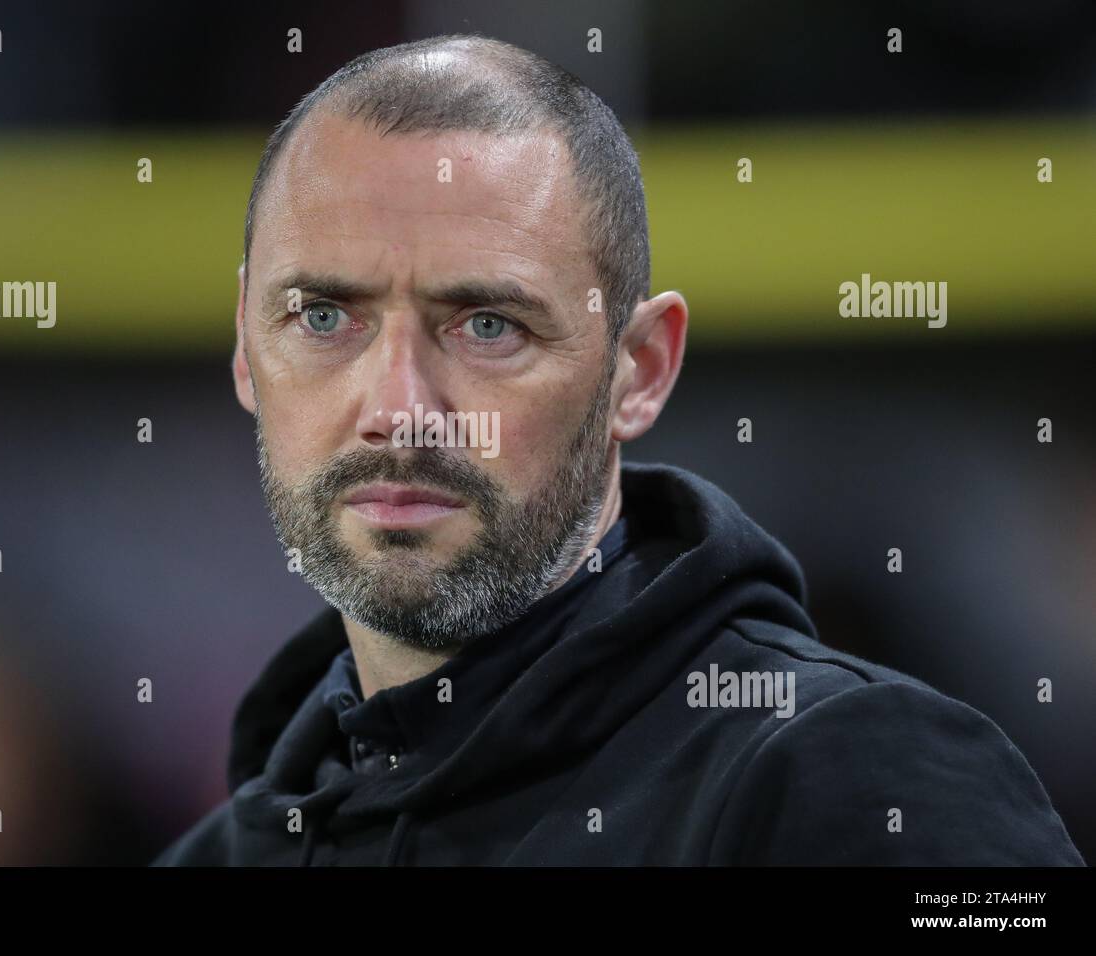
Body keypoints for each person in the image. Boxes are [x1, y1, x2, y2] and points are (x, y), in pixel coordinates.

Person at [153, 34, 1084, 866]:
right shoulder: (227, 851)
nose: (398, 409)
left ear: (638, 370)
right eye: (322, 316)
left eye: (486, 324)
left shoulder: (855, 783)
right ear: (245, 345)